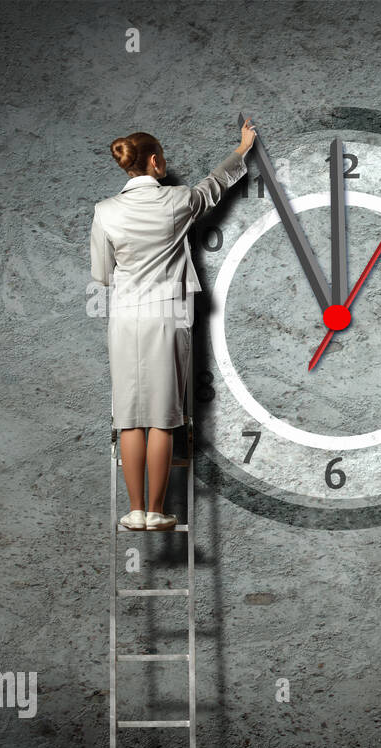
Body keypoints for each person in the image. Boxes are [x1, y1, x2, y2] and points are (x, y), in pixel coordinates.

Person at [91, 120, 256, 530]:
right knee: (163, 416)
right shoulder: (178, 201)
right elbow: (214, 187)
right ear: (153, 161)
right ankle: (156, 510)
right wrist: (242, 149)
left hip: (126, 316)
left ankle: (133, 509)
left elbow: (102, 273)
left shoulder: (105, 211)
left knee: (128, 416)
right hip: (166, 317)